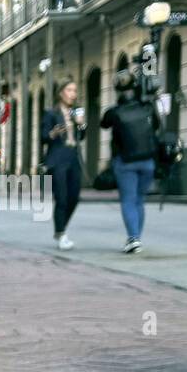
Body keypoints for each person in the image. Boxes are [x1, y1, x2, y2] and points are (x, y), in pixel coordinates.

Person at [100, 69, 162, 254]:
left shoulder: (114, 112)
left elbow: (103, 124)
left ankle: (133, 238)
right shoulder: (147, 107)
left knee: (128, 200)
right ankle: (136, 238)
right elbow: (157, 125)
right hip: (147, 162)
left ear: (118, 90)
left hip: (125, 163)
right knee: (139, 201)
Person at [41, 77, 85, 250]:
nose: (72, 94)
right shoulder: (51, 113)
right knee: (62, 198)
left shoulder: (76, 112)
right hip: (57, 158)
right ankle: (61, 233)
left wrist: (81, 125)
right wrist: (53, 133)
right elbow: (43, 136)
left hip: (73, 157)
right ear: (60, 93)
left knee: (74, 197)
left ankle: (60, 229)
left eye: (74, 90)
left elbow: (83, 136)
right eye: (69, 90)